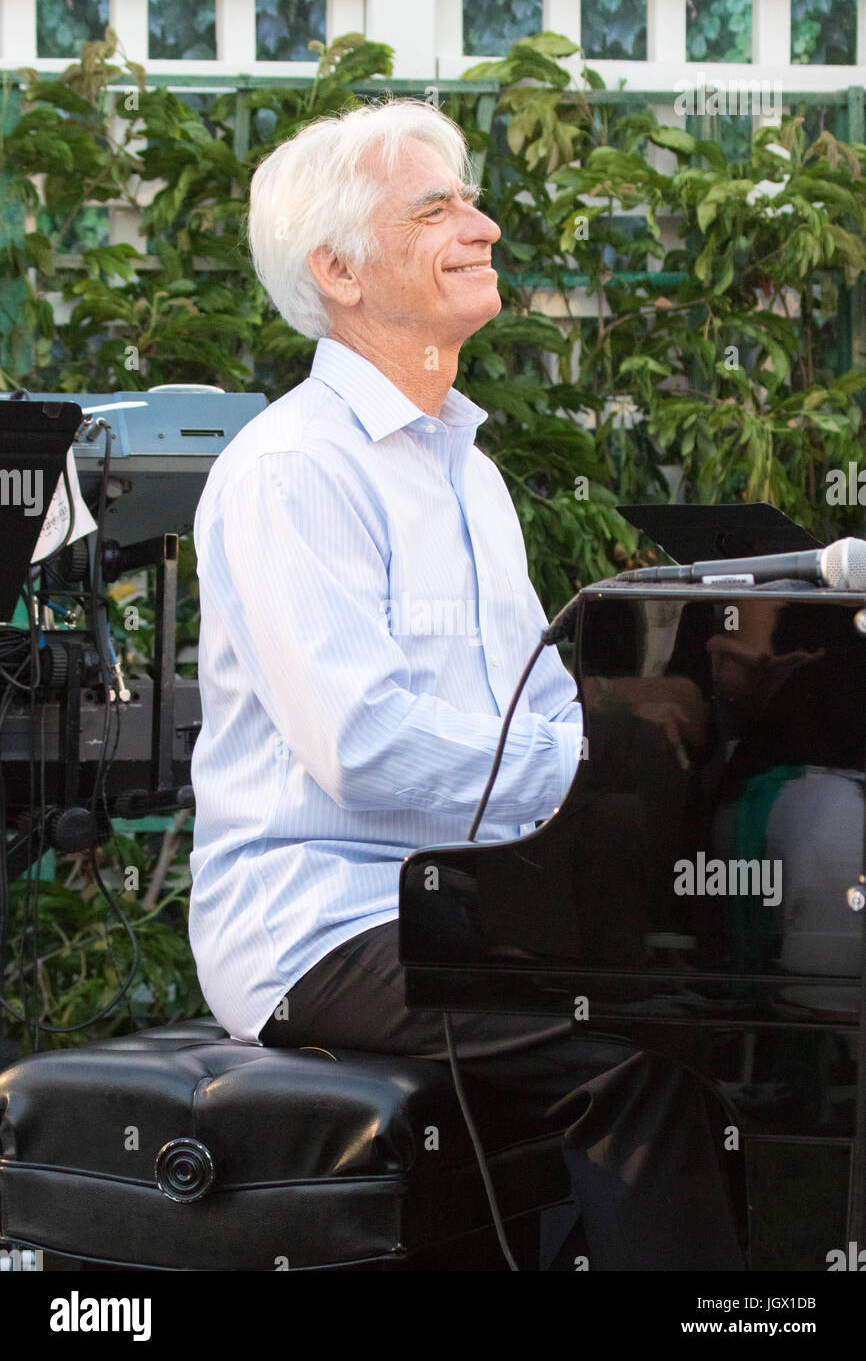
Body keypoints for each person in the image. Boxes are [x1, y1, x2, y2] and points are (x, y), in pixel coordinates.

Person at [188, 98, 745, 1270]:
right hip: (323, 928)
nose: (481, 225)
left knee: (723, 1025)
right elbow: (365, 743)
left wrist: (607, 759)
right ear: (335, 267)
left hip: (461, 904)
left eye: (471, 199)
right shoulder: (291, 470)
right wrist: (607, 764)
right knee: (633, 1061)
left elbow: (528, 708)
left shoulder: (467, 471)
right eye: (435, 206)